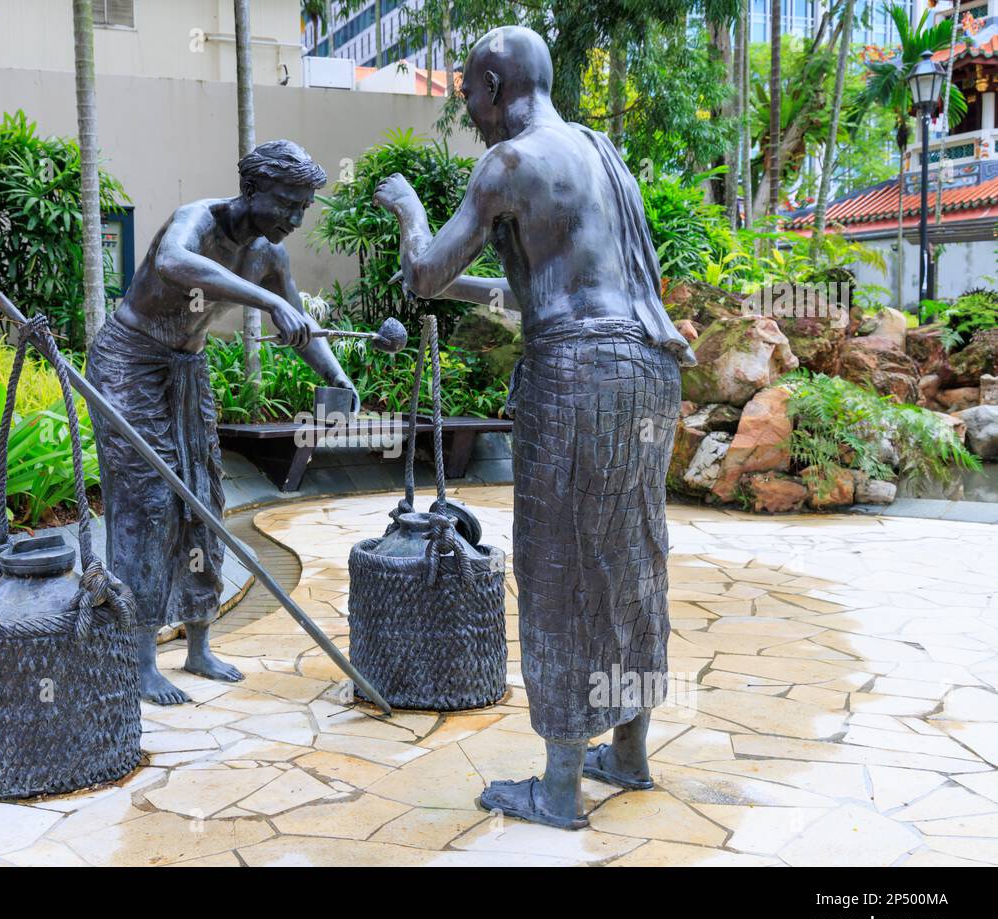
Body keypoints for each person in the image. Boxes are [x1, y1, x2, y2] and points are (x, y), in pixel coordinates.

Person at [373, 26, 695, 828]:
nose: (470, 113)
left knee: (557, 566)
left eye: (468, 95)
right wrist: (470, 289)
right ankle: (627, 749)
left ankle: (557, 788)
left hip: (577, 375)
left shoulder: (507, 163)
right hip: (649, 369)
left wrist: (409, 204)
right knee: (631, 555)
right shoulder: (600, 152)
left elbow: (422, 272)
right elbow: (541, 285)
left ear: (490, 82)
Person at [88, 140, 359, 706]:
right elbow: (173, 262)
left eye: (303, 209)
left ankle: (198, 641)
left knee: (204, 498)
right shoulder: (198, 220)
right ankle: (137, 655)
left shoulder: (270, 257)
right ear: (253, 190)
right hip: (129, 361)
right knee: (149, 501)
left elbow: (300, 325)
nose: (294, 219)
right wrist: (267, 299)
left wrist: (339, 379)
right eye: (287, 203)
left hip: (186, 367)